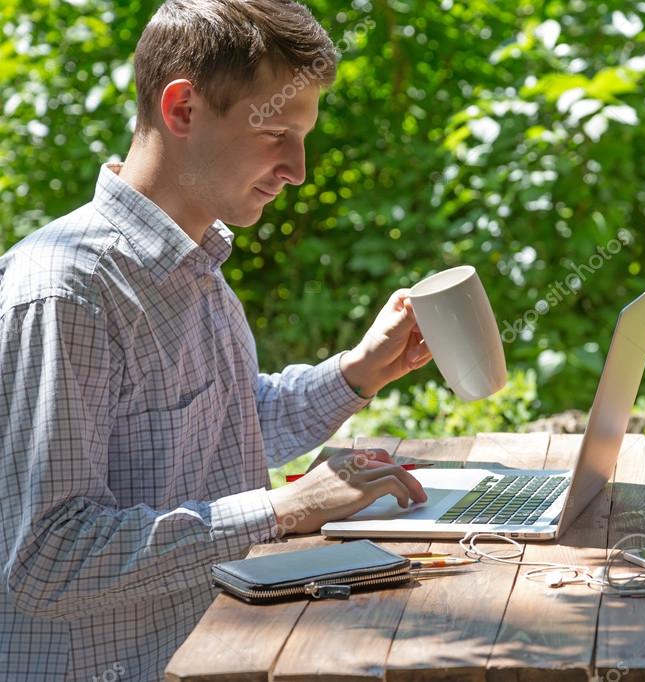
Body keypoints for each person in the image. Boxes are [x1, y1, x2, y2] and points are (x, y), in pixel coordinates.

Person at [0, 0, 431, 679]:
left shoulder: (194, 263)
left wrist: (358, 373)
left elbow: (227, 424)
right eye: (276, 134)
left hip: (214, 652)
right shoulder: (66, 291)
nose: (298, 169)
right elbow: (47, 559)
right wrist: (282, 510)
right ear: (183, 110)